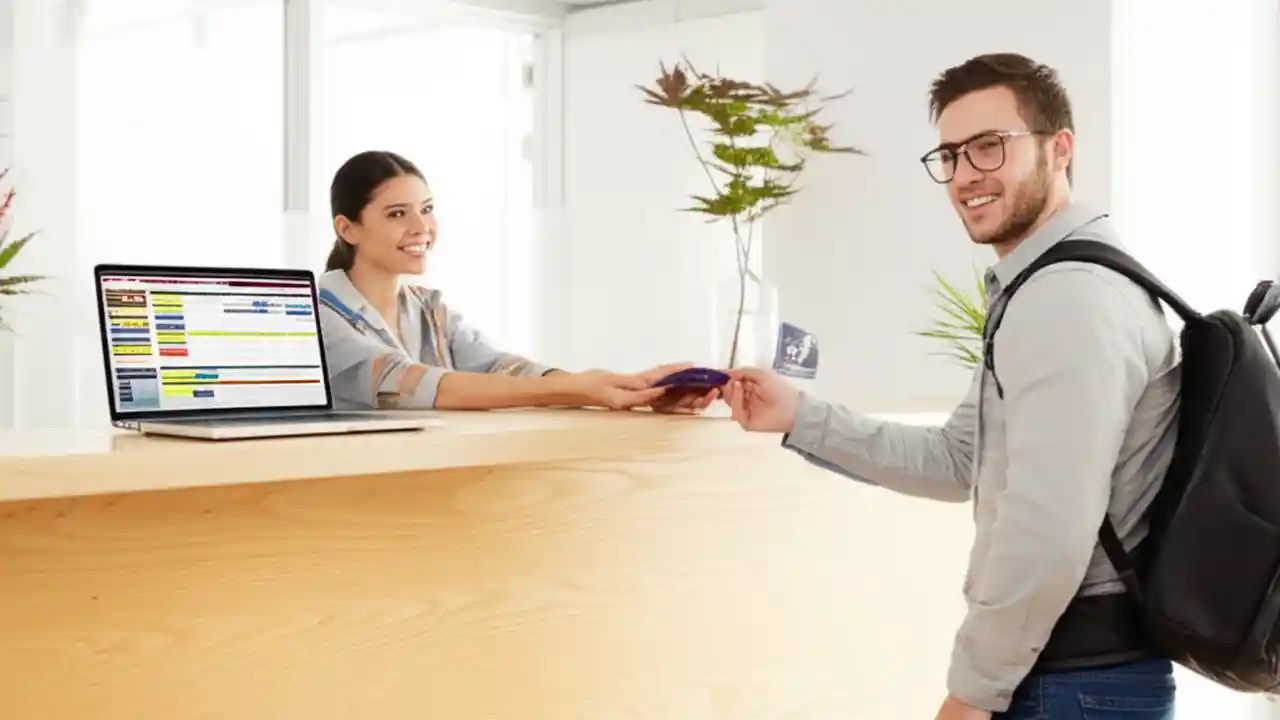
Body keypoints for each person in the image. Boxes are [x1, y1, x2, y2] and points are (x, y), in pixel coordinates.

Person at [720, 54, 1181, 720]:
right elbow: (958, 460)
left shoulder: (1069, 301)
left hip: (1074, 686)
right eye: (951, 156)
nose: (966, 177)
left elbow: (1048, 528)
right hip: (1072, 679)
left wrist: (973, 691)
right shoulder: (1044, 288)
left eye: (990, 148)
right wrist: (798, 415)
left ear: (1060, 149)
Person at [318, 150, 713, 413]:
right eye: (397, 214)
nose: (421, 227)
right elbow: (413, 384)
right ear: (347, 228)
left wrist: (631, 391)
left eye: (427, 209)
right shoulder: (318, 315)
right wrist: (582, 388)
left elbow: (500, 368)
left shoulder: (428, 308)